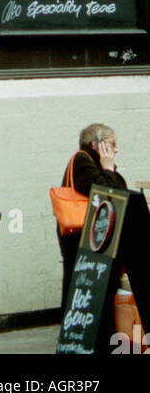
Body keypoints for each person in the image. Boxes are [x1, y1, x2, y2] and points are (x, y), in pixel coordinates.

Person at [57, 122, 127, 310]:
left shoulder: (92, 163)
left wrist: (108, 169)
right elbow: (108, 192)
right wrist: (108, 168)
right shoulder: (82, 161)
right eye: (112, 144)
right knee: (82, 283)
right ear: (97, 145)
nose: (116, 149)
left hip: (91, 237)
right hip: (82, 237)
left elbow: (121, 190)